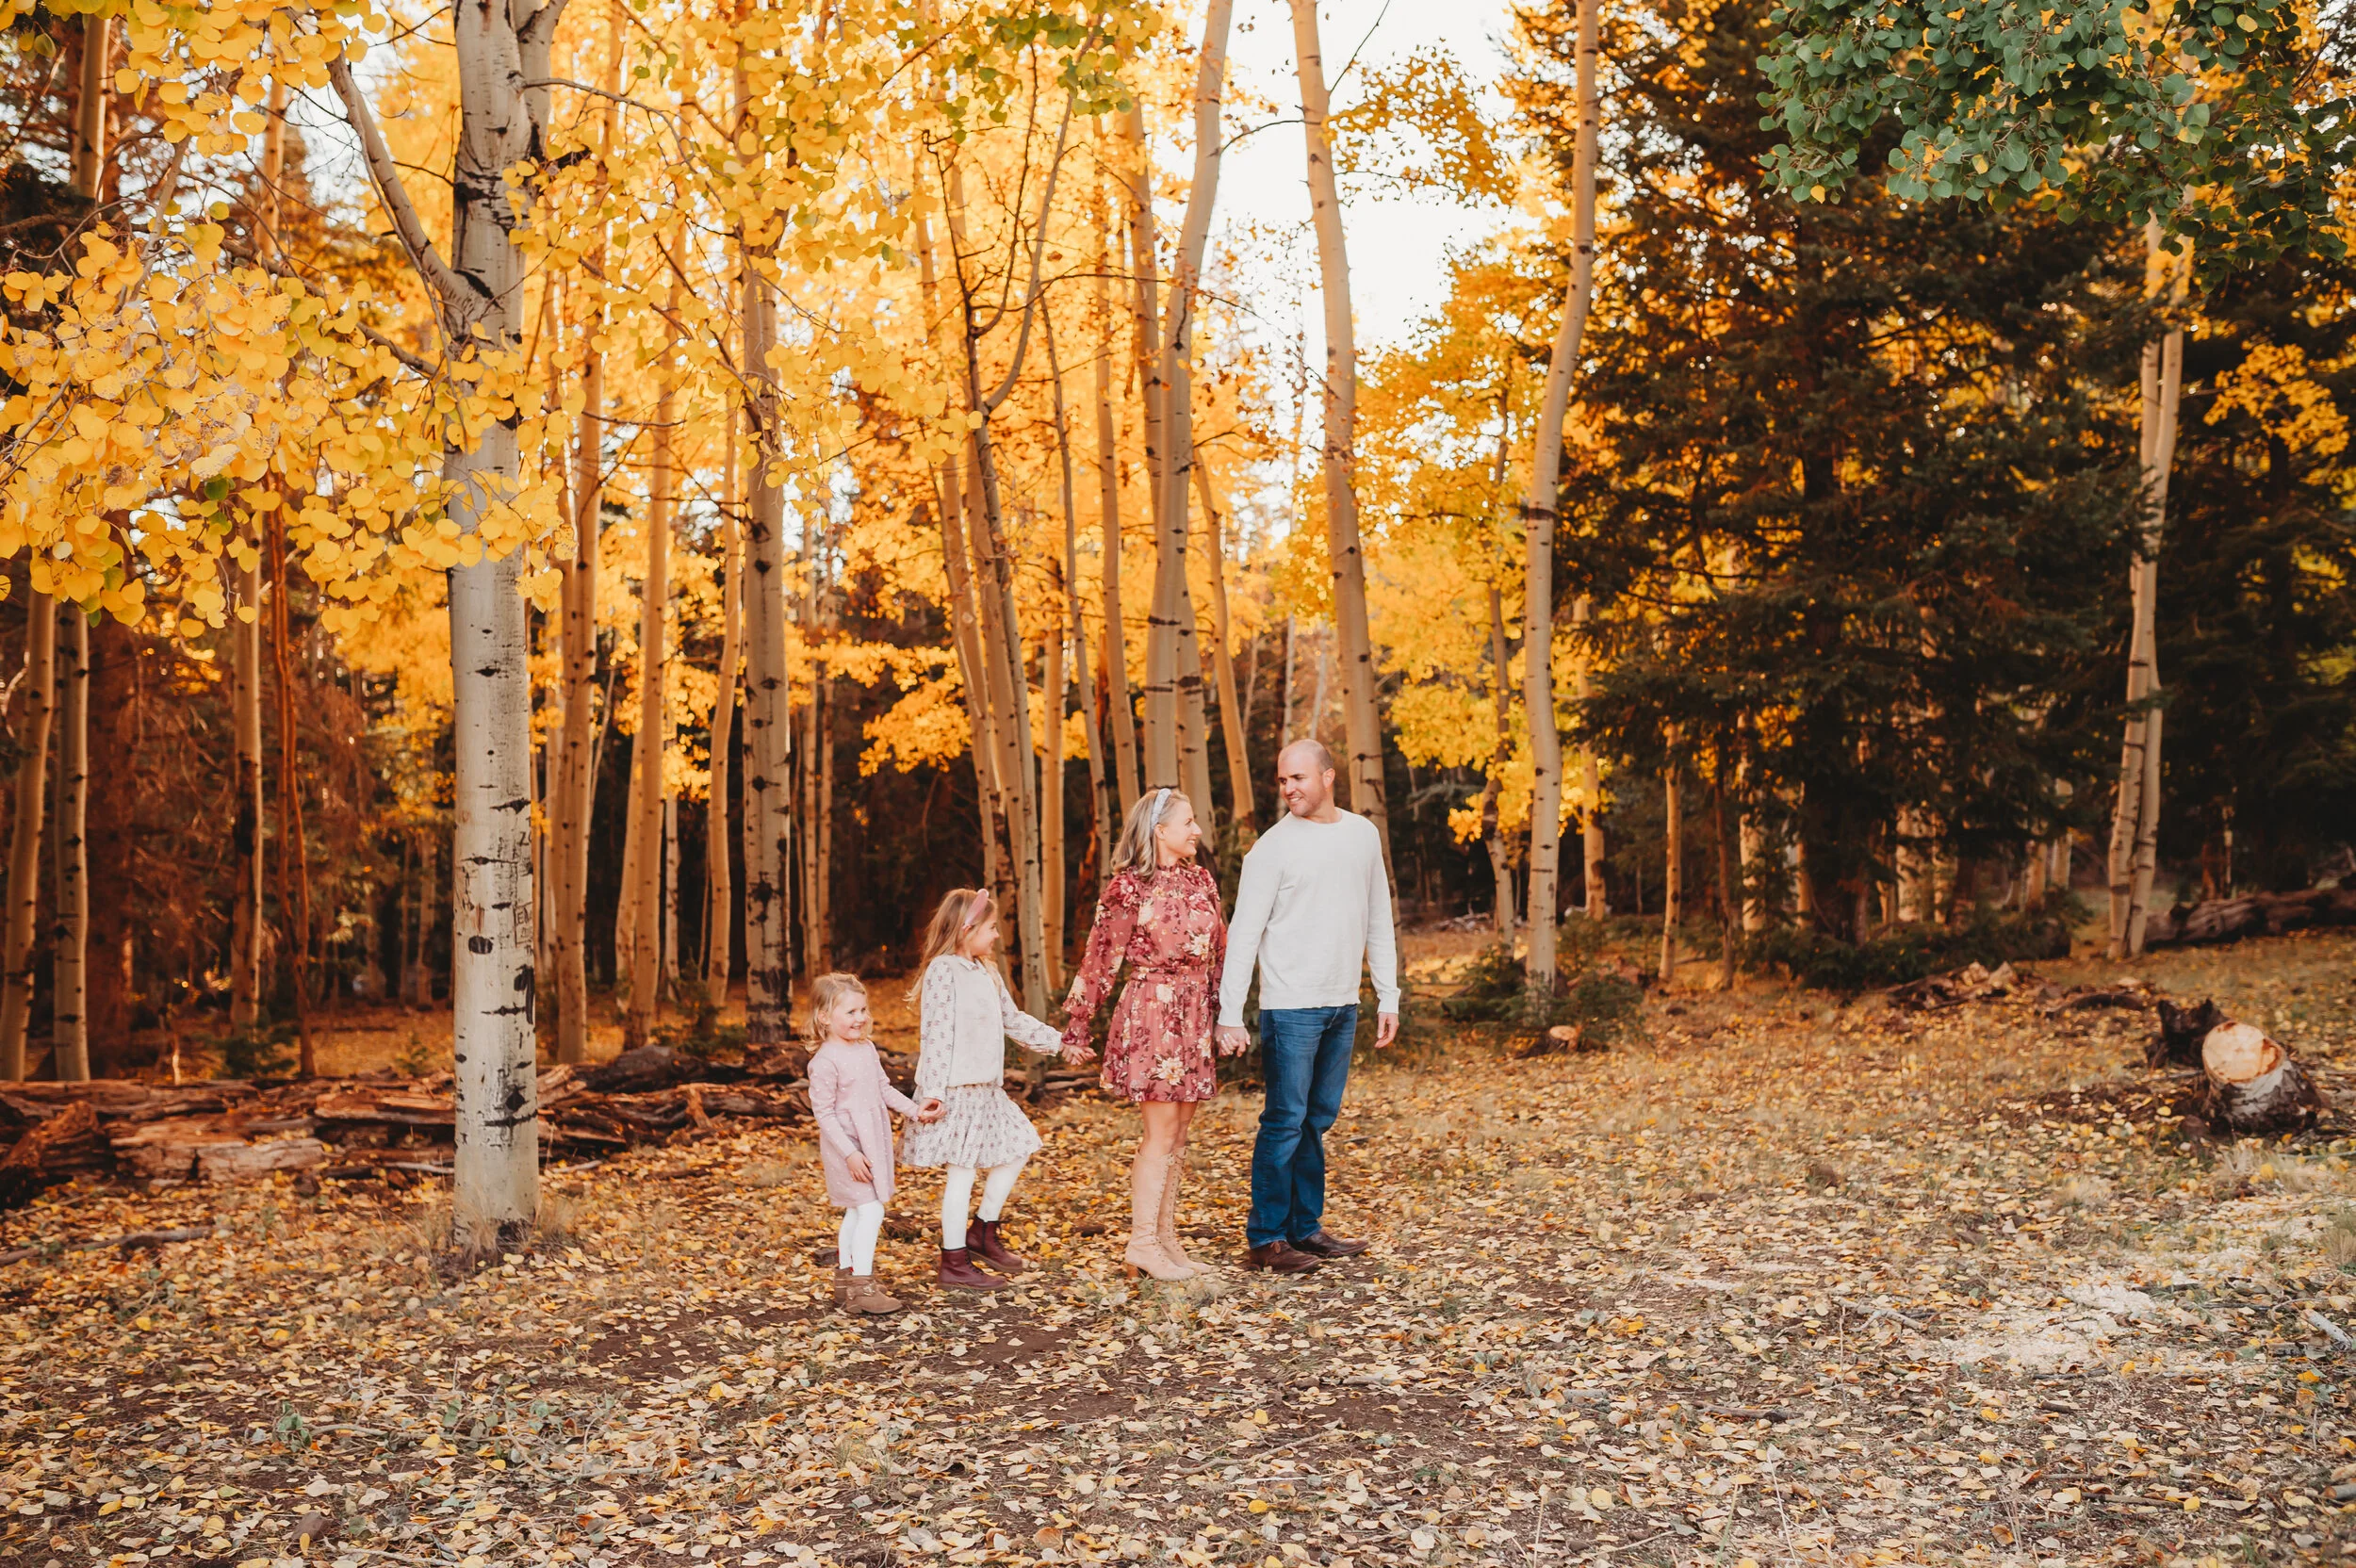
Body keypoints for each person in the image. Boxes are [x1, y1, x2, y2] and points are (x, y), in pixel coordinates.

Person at [1216, 740, 1399, 1273]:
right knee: (1285, 1120)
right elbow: (1243, 935)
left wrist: (1387, 993)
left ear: (1328, 777)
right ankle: (1267, 1238)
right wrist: (1230, 1012)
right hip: (1290, 1006)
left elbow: (1377, 920)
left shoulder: (1362, 835)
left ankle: (1305, 1227)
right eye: (1281, 781)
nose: (1289, 788)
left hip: (1343, 1002)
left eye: (1298, 778)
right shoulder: (1271, 849)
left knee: (1317, 1120)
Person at [1061, 788, 1237, 1282]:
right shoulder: (1128, 887)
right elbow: (1100, 959)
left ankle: (1164, 1239)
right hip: (1153, 1013)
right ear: (1160, 831)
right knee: (1160, 1133)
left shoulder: (1201, 880)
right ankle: (1141, 1243)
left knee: (1180, 1133)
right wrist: (1078, 1025)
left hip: (1195, 1013)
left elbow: (1219, 952)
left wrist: (1227, 1014)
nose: (1197, 829)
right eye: (1188, 821)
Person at [904, 889, 1078, 1290]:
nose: (996, 936)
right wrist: (933, 1091)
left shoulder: (986, 970)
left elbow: (1012, 1019)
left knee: (1019, 1146)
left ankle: (981, 1231)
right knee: (962, 1173)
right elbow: (936, 1034)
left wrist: (1060, 1043)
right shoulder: (943, 970)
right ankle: (953, 1262)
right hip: (955, 1090)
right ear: (966, 929)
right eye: (991, 928)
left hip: (987, 1089)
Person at [806, 972, 942, 1315]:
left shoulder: (866, 1049)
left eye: (863, 1010)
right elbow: (823, 1114)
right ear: (824, 1017)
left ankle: (847, 1281)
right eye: (850, 1012)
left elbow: (883, 1088)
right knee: (871, 1209)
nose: (861, 1018)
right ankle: (862, 1286)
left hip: (871, 1142)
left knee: (857, 1210)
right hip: (847, 1148)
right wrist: (850, 1153)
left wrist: (915, 1111)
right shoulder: (824, 1062)